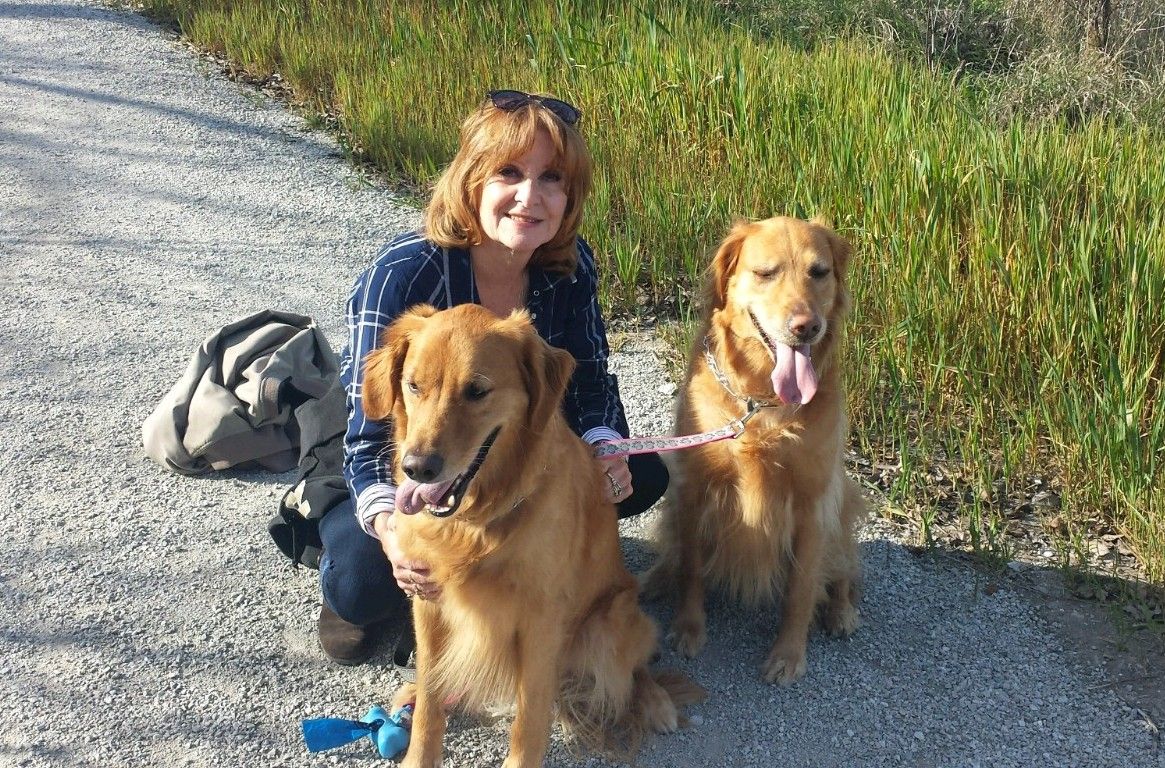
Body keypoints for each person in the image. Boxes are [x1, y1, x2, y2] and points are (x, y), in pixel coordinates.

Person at [317, 90, 670, 667]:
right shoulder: (403, 274)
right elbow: (364, 434)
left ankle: (513, 583)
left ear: (570, 196)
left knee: (647, 476)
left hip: (501, 458)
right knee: (364, 583)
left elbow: (590, 383)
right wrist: (390, 528)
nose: (530, 197)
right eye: (509, 172)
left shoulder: (570, 268)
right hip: (404, 459)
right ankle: (336, 531)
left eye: (552, 178)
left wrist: (607, 448)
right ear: (472, 180)